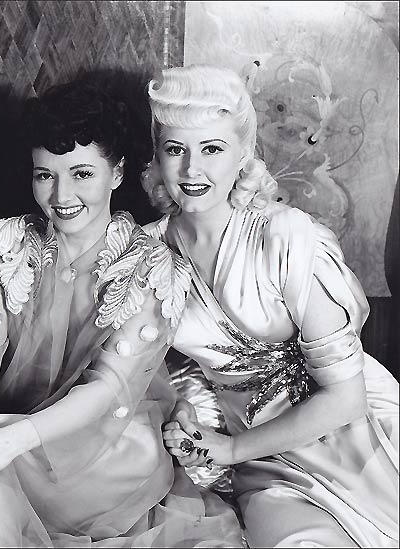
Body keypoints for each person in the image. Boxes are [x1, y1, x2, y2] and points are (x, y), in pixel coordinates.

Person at [0, 79, 244, 548]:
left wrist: (6, 440)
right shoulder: (10, 243)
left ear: (117, 173)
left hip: (106, 445)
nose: (61, 195)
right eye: (45, 175)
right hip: (10, 420)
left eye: (81, 173)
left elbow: (104, 390)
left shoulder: (153, 267)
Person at [142, 64, 399, 547]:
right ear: (157, 155)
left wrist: (230, 449)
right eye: (175, 149)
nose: (192, 170)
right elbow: (158, 367)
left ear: (243, 154)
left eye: (212, 149)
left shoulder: (285, 238)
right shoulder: (148, 253)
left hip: (357, 433)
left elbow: (347, 398)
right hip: (265, 465)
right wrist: (184, 413)